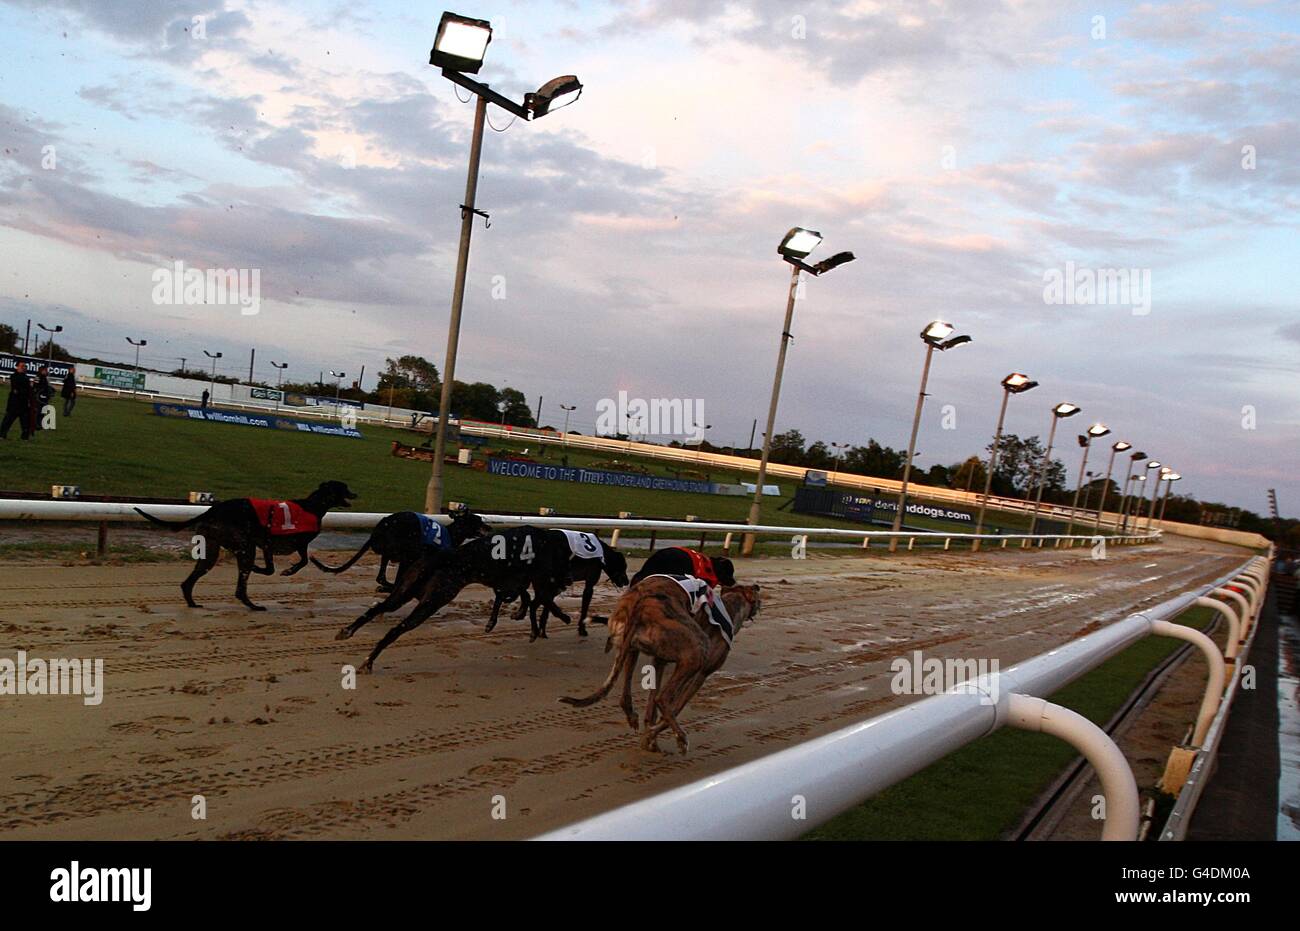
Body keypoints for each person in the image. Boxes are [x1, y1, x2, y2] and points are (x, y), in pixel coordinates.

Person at [1, 361, 33, 440]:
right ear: (17, 367)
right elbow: (16, 389)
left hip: (24, 403)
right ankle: (2, 435)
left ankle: (25, 437)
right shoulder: (14, 376)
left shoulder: (26, 377)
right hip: (14, 403)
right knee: (8, 420)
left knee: (25, 422)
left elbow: (28, 390)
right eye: (22, 366)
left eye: (25, 366)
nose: (24, 367)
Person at [32, 366, 53, 432]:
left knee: (43, 411)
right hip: (39, 397)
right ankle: (36, 425)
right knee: (38, 411)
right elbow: (35, 386)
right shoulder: (38, 377)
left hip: (44, 397)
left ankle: (40, 424)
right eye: (46, 370)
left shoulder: (44, 377)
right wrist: (40, 393)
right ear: (42, 370)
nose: (47, 372)